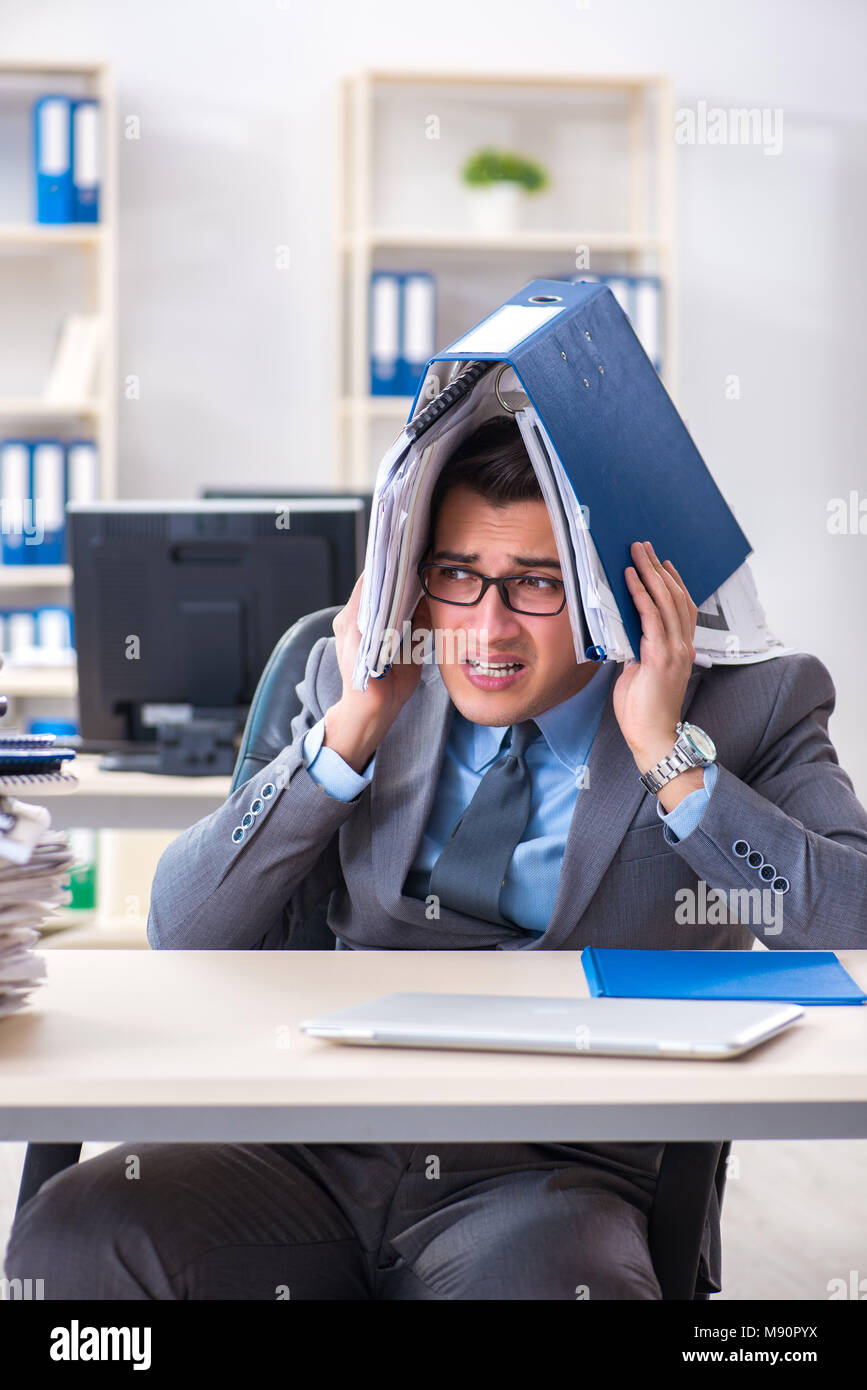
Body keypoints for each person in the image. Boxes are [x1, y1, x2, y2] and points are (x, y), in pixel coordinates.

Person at [7, 416, 867, 1300]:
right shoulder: (348, 672)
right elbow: (182, 930)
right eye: (456, 575)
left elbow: (854, 925)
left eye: (538, 584)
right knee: (80, 1236)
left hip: (550, 1171)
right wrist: (348, 734)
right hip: (314, 1138)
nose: (485, 632)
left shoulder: (746, 701)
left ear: (616, 596)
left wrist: (667, 756)